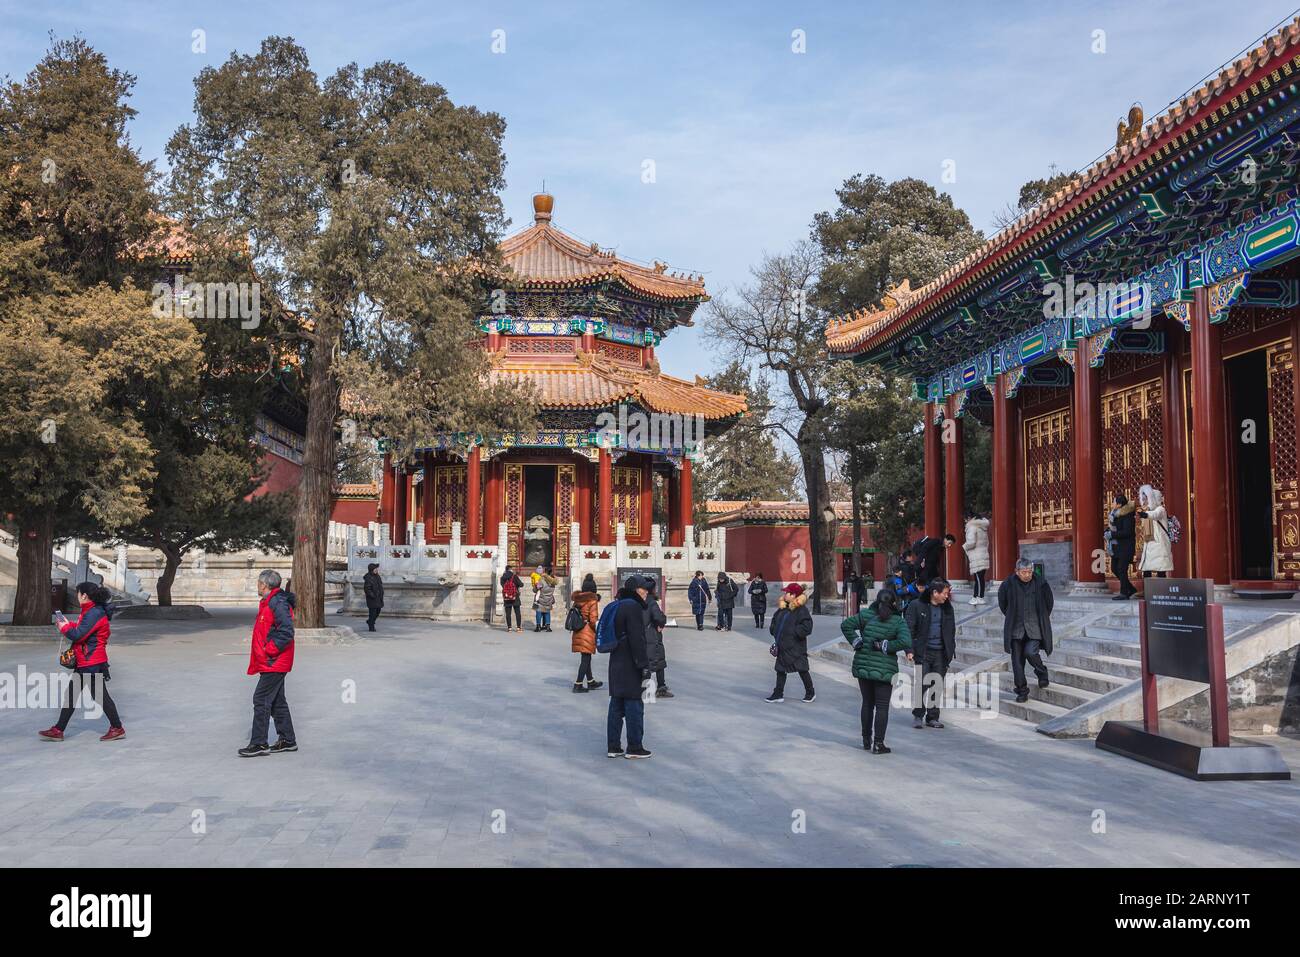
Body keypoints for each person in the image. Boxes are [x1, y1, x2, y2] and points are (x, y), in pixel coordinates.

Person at [39, 583, 125, 742]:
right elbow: (82, 629)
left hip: (91, 662)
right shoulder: (91, 611)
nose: (77, 596)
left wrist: (64, 628)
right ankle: (59, 729)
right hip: (86, 660)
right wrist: (67, 624)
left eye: (78, 593)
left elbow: (78, 635)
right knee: (72, 695)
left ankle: (117, 727)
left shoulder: (94, 613)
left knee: (100, 697)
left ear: (84, 595)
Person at [841, 587, 911, 753]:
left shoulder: (866, 615)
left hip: (863, 665)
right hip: (885, 668)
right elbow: (905, 640)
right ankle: (878, 744)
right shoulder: (898, 621)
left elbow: (846, 625)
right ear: (893, 602)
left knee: (867, 703)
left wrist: (856, 641)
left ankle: (866, 739)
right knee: (882, 707)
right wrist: (887, 646)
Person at [238, 570, 297, 757]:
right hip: (270, 660)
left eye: (258, 583)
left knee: (261, 698)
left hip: (275, 660)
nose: (257, 585)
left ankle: (259, 743)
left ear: (264, 585)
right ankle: (287, 740)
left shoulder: (277, 602)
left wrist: (269, 650)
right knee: (277, 701)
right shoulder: (268, 602)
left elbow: (287, 631)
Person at [606, 575, 654, 759]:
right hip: (631, 664)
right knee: (634, 705)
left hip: (616, 661)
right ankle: (634, 746)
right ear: (636, 590)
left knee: (616, 705)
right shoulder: (633, 607)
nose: (646, 592)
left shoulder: (618, 604)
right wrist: (644, 666)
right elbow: (637, 640)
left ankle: (613, 746)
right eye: (643, 589)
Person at [997, 558, 1054, 704]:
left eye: (1029, 572)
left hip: (1034, 628)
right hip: (1016, 629)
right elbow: (1003, 604)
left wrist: (1041, 618)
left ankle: (1041, 672)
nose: (1027, 575)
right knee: (1017, 662)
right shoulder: (1007, 585)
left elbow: (1049, 603)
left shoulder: (1041, 583)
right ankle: (1022, 691)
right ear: (1016, 572)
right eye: (1024, 572)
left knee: (1030, 652)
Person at [904, 576, 956, 729]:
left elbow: (951, 630)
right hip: (923, 651)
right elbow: (909, 629)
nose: (947, 596)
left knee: (937, 685)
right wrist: (909, 649)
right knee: (922, 683)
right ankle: (918, 715)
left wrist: (951, 649)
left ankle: (932, 717)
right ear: (935, 593)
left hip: (941, 652)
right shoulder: (916, 605)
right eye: (945, 593)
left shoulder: (947, 608)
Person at [766, 583, 815, 703]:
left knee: (802, 670)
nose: (784, 595)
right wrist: (773, 629)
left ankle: (810, 692)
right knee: (780, 670)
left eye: (786, 593)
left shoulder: (801, 610)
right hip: (782, 645)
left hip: (796, 647)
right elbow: (775, 620)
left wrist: (793, 633)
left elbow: (807, 627)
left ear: (793, 595)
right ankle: (778, 693)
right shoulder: (783, 608)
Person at [569, 573, 603, 692]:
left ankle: (590, 681)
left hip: (578, 630)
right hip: (587, 631)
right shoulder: (592, 601)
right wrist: (599, 630)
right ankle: (578, 684)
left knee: (586, 656)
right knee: (586, 659)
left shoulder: (578, 599)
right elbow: (593, 620)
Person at [1137, 484, 1174, 580]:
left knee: (1160, 569)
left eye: (1148, 499)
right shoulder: (1148, 510)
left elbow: (1155, 515)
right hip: (1150, 542)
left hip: (1159, 542)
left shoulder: (1161, 509)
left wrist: (1145, 514)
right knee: (1146, 569)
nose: (1146, 501)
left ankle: (1161, 590)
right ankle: (1147, 590)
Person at [644, 577, 671, 697]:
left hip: (641, 635)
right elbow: (659, 617)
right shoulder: (651, 602)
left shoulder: (636, 601)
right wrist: (661, 622)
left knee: (645, 661)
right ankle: (660, 687)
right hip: (652, 635)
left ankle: (644, 687)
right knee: (658, 660)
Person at [1108, 495, 1137, 600]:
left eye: (1114, 501)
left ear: (1119, 504)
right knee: (1114, 568)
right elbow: (1113, 527)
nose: (1112, 503)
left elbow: (1127, 532)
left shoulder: (1127, 515)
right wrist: (1108, 531)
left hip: (1125, 547)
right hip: (1116, 547)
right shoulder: (1114, 515)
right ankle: (1131, 589)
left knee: (1121, 569)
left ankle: (1124, 593)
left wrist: (1112, 535)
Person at [962, 513, 990, 605]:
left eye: (965, 519)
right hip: (983, 554)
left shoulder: (972, 527)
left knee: (978, 578)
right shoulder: (982, 527)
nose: (965, 522)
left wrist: (964, 546)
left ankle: (978, 597)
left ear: (969, 518)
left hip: (976, 556)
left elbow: (971, 542)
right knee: (980, 577)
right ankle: (977, 597)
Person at [500, 565, 524, 632]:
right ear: (511, 569)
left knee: (508, 613)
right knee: (517, 613)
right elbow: (521, 584)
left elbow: (503, 586)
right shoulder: (514, 576)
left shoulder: (502, 577)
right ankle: (518, 628)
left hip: (507, 597)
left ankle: (509, 628)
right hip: (515, 596)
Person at [533, 565, 557, 631]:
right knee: (547, 612)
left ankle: (538, 626)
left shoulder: (542, 580)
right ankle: (548, 626)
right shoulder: (553, 581)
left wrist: (535, 586)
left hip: (541, 598)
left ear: (545, 572)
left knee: (538, 612)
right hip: (549, 598)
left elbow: (536, 589)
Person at [362, 563, 384, 631]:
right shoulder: (368, 577)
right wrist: (372, 595)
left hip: (378, 598)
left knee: (378, 611)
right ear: (371, 569)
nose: (377, 570)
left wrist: (381, 594)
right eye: (375, 569)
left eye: (377, 568)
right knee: (372, 613)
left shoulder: (377, 576)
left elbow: (380, 585)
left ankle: (370, 621)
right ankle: (371, 627)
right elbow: (367, 589)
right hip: (372, 599)